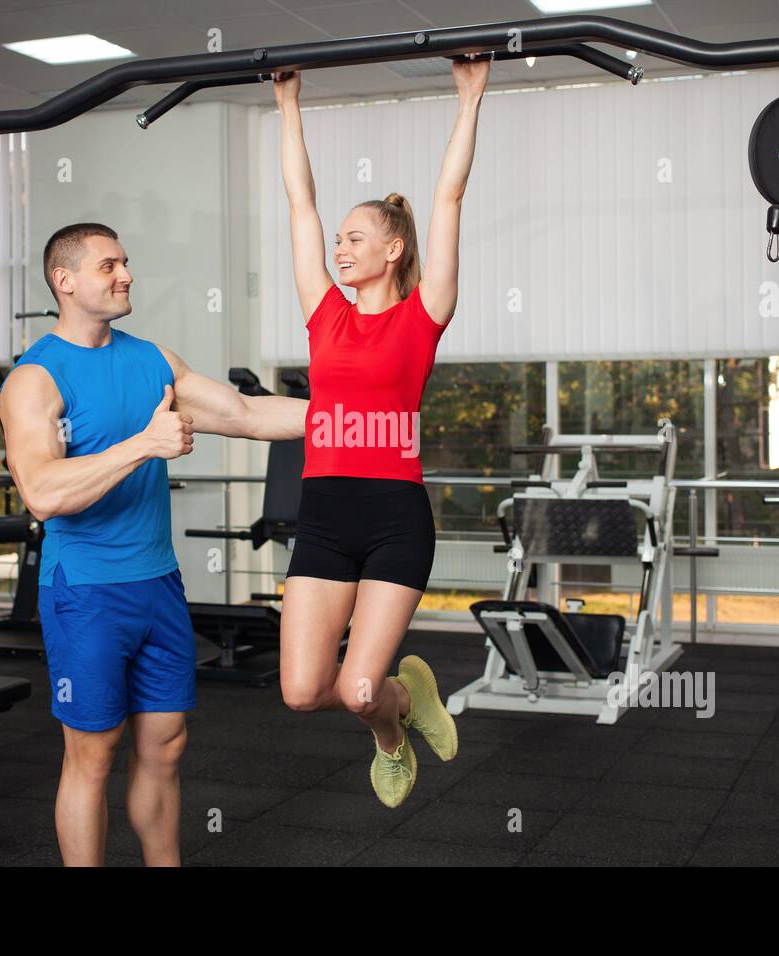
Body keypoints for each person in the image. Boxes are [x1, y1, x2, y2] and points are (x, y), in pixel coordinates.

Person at [0, 222, 306, 866]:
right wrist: (145, 443)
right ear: (66, 280)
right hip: (85, 589)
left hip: (157, 584)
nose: (126, 274)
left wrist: (353, 412)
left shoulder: (152, 360)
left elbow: (245, 415)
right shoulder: (35, 379)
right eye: (109, 265)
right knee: (93, 751)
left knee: (165, 744)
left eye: (125, 262)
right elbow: (43, 493)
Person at [272, 56, 488, 807]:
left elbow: (449, 193)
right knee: (303, 691)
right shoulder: (323, 312)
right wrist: (289, 104)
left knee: (359, 691)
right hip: (325, 516)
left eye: (355, 238)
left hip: (395, 517)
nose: (339, 246)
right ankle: (404, 694)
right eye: (339, 238)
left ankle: (390, 722)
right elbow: (300, 204)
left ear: (392, 249)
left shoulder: (424, 312)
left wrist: (471, 96)